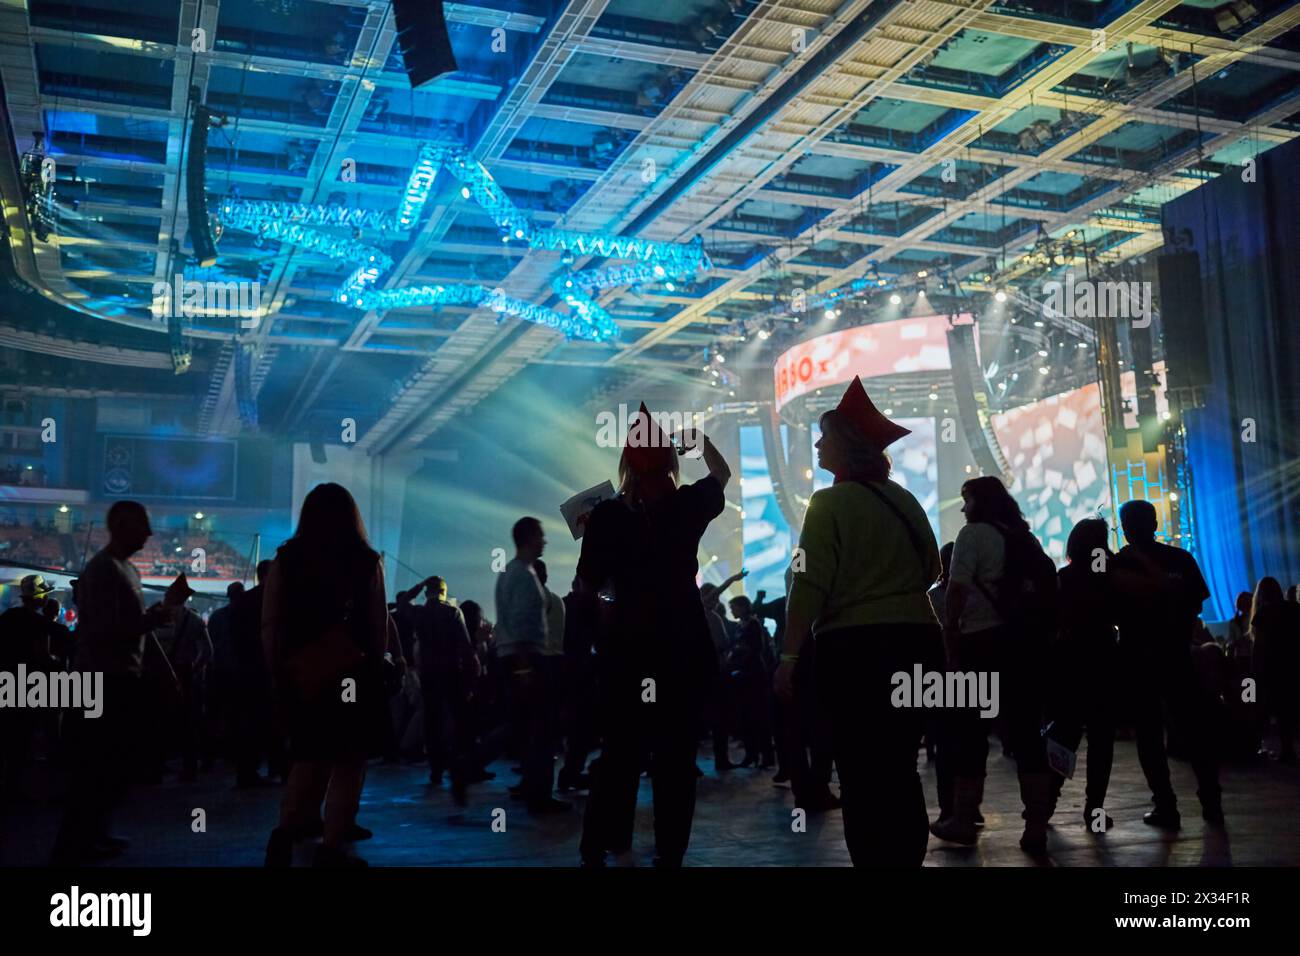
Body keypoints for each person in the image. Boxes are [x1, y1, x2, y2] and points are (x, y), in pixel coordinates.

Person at [773, 377, 941, 867]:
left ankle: (872, 862)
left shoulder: (828, 504)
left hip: (856, 650)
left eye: (825, 436)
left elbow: (809, 584)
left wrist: (788, 656)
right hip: (918, 640)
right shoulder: (905, 500)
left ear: (845, 445)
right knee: (900, 765)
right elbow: (933, 569)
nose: (819, 444)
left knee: (859, 769)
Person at [578, 403, 730, 866]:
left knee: (620, 753)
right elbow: (721, 476)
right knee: (676, 759)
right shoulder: (688, 505)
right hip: (682, 646)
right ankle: (669, 854)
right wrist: (700, 441)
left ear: (625, 463)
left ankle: (598, 844)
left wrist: (609, 604)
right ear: (670, 461)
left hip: (627, 648)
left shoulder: (604, 516)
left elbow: (590, 583)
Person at [262, 483, 391, 867]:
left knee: (308, 759)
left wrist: (278, 672)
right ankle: (331, 848)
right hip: (353, 673)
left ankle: (282, 836)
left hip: (303, 676)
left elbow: (270, 622)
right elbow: (378, 624)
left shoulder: (287, 557)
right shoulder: (366, 560)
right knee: (349, 764)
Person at [930, 474, 1058, 855]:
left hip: (979, 645)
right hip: (1021, 648)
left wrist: (951, 634)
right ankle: (1036, 825)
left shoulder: (973, 535)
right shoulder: (1024, 538)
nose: (963, 507)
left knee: (968, 734)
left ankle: (964, 819)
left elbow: (956, 591)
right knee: (1025, 736)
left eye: (966, 499)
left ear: (979, 502)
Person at [52, 502, 177, 864]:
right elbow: (105, 631)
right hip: (103, 682)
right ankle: (73, 847)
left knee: (108, 768)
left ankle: (92, 835)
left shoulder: (122, 569)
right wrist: (149, 619)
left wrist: (148, 621)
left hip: (115, 679)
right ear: (123, 526)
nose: (149, 533)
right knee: (97, 769)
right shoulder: (106, 570)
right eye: (143, 525)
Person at [1111, 498, 1222, 827]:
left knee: (1148, 735)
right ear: (1155, 523)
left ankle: (1165, 805)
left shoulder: (1120, 564)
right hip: (1176, 657)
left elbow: (1113, 613)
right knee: (1194, 730)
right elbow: (1197, 605)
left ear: (1126, 528)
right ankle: (1211, 800)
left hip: (1138, 662)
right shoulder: (1180, 558)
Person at [1044, 517, 1119, 830]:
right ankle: (1094, 809)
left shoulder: (1063, 578)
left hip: (1069, 665)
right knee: (1102, 741)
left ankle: (1046, 802)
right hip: (1103, 663)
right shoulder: (1109, 577)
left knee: (1064, 736)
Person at [495, 517, 567, 813]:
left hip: (517, 658)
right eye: (540, 536)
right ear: (528, 538)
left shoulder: (510, 573)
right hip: (529, 658)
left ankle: (534, 790)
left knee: (524, 728)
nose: (544, 541)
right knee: (542, 728)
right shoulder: (524, 576)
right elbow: (523, 627)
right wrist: (526, 668)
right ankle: (540, 795)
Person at [406, 576, 477, 803]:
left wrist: (420, 584)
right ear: (444, 591)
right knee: (457, 721)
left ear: (427, 592)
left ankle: (436, 768)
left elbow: (403, 603)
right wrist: (471, 677)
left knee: (432, 721)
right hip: (452, 673)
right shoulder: (453, 613)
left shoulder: (420, 613)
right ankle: (457, 764)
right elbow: (467, 649)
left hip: (429, 674)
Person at [0, 574, 57, 803]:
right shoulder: (38, 622)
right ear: (40, 597)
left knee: (6, 737)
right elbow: (43, 655)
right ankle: (13, 789)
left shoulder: (8, 617)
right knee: (21, 740)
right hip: (26, 687)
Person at [231, 561, 285, 788]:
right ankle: (280, 769)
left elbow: (236, 638)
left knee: (248, 724)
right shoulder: (281, 600)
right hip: (274, 669)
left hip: (248, 670)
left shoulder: (243, 601)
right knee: (277, 722)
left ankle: (247, 772)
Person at [1251, 576, 1300, 763]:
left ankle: (1256, 747)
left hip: (1272, 669)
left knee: (1262, 708)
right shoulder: (1295, 609)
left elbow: (1259, 647)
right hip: (1293, 666)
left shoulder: (1263, 613)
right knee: (1287, 710)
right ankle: (1288, 750)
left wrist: (1253, 676)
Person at [559, 575, 600, 792]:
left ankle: (570, 774)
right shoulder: (590, 606)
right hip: (583, 675)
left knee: (575, 728)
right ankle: (572, 774)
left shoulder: (563, 605)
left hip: (564, 672)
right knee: (583, 728)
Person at [728, 595, 775, 769]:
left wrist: (737, 654)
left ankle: (764, 755)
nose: (732, 610)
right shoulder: (744, 624)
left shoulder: (752, 624)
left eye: (734, 607)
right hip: (746, 675)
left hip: (753, 676)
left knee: (758, 717)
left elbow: (756, 648)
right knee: (748, 717)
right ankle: (753, 754)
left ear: (741, 607)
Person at [534, 559, 567, 787]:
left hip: (539, 663)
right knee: (544, 724)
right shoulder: (557, 600)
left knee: (535, 725)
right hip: (555, 663)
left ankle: (534, 784)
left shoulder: (538, 600)